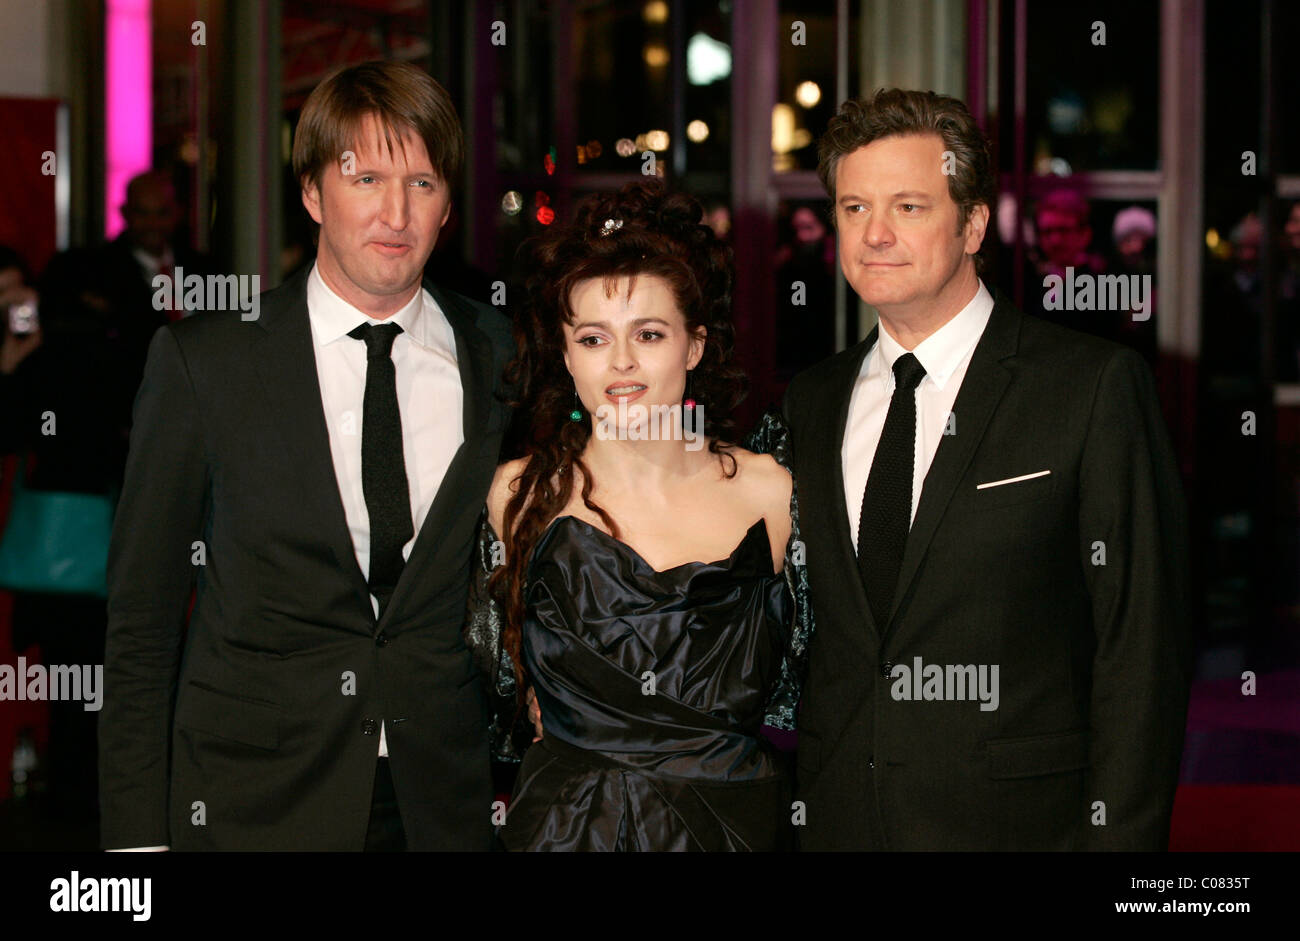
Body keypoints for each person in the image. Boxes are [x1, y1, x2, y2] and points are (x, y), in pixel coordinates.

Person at [98, 61, 513, 851]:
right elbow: (142, 623)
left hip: (442, 803)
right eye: (366, 178)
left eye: (423, 184)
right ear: (313, 193)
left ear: (449, 204)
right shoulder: (207, 363)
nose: (397, 212)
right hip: (254, 803)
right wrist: (135, 844)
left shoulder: (497, 353)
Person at [783, 88, 1192, 850]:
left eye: (908, 206)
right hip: (840, 822)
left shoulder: (1090, 387)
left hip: (1020, 828)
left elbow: (1142, 653)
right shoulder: (810, 401)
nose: (874, 235)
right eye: (853, 208)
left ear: (973, 224)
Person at [465, 179, 812, 851]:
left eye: (648, 334)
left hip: (735, 830)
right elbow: (491, 695)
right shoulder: (516, 495)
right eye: (593, 339)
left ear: (694, 345)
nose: (621, 363)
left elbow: (814, 685)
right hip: (563, 833)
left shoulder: (773, 494)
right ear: (566, 356)